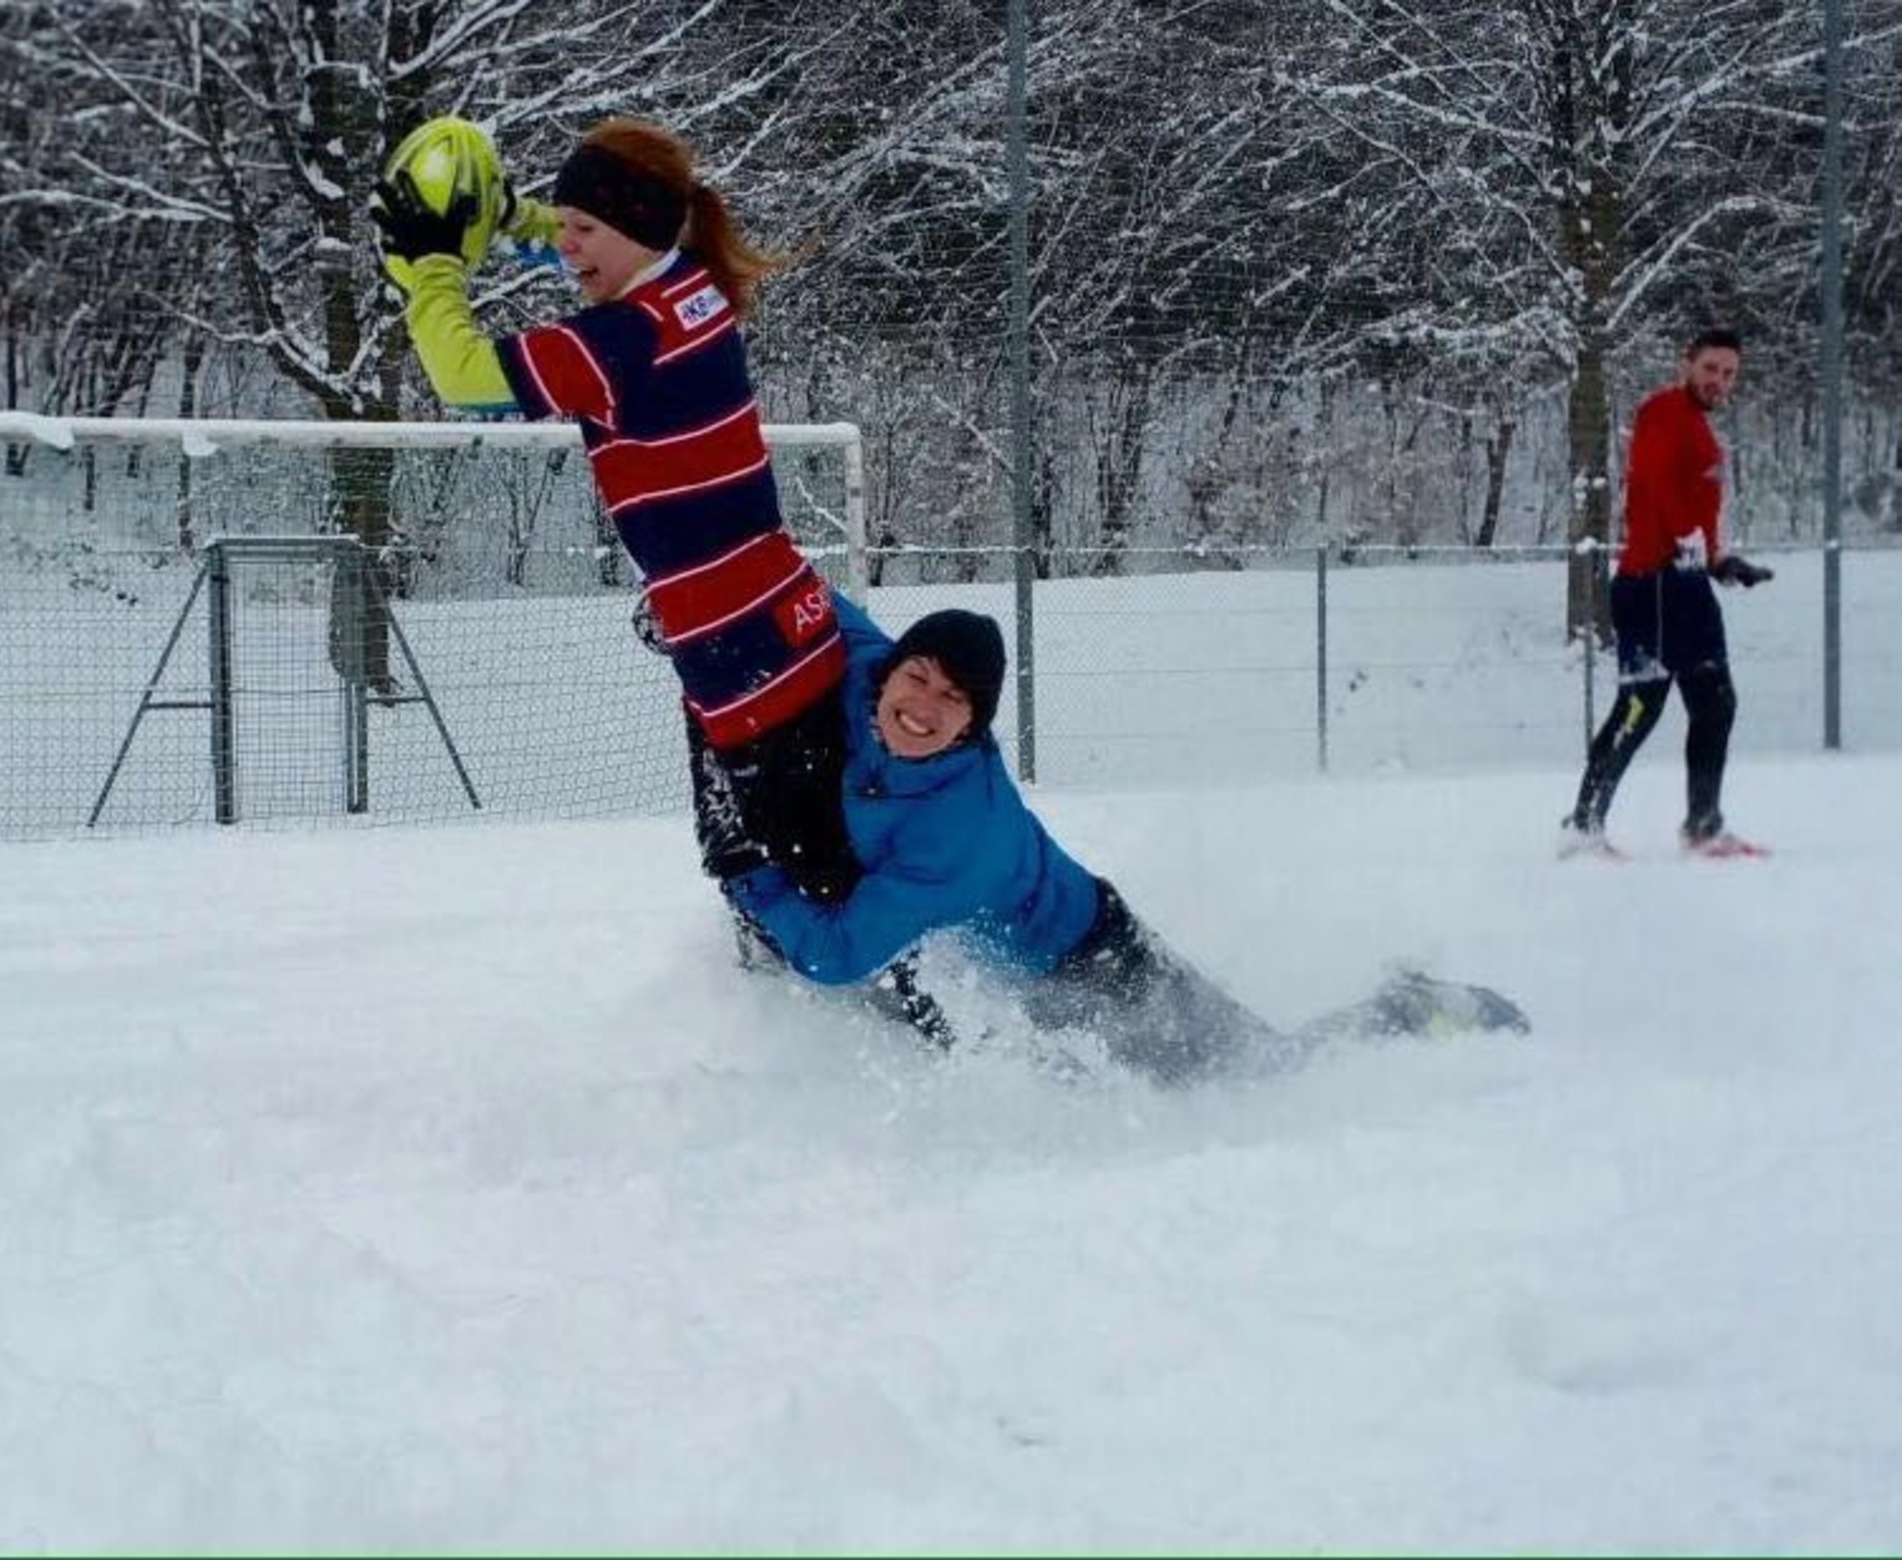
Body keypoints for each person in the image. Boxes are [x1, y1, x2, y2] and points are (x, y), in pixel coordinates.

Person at [716, 596, 1529, 1087]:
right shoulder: (858, 666)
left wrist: (750, 877)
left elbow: (836, 957)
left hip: (1093, 958)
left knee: (1252, 1071)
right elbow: (797, 594)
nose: (923, 706)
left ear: (975, 725)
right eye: (918, 677)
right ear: (890, 669)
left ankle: (1409, 1012)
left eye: (954, 699)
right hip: (998, 958)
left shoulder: (965, 833)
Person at [370, 116, 871, 911]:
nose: (563, 245)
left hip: (739, 649)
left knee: (789, 873)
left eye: (581, 229)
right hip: (778, 622)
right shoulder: (691, 288)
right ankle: (849, 994)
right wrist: (507, 224)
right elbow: (589, 237)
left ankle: (893, 1008)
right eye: (560, 225)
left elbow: (463, 377)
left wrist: (432, 268)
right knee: (797, 858)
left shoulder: (619, 342)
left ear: (635, 228)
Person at [1562, 327, 1773, 857]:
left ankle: (1702, 826)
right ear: (1687, 363)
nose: (1719, 381)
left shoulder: (1703, 432)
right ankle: (1582, 828)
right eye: (1710, 369)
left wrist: (1721, 561)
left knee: (1715, 703)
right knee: (1640, 707)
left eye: (1728, 373)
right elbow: (1655, 488)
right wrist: (1688, 545)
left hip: (1685, 587)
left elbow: (1694, 510)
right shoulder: (1662, 412)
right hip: (1651, 585)